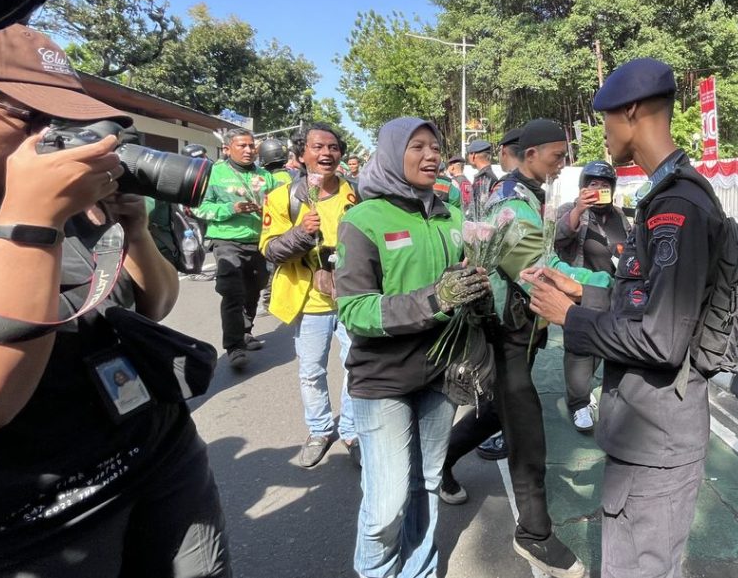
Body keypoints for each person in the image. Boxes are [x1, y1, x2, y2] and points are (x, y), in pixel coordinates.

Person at [0, 24, 230, 577]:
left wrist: (136, 231)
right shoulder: (40, 202)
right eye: (33, 117)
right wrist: (32, 219)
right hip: (39, 515)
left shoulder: (81, 198)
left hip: (160, 452)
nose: (56, 137)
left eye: (64, 120)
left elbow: (157, 304)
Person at [524, 58, 724, 578]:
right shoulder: (662, 196)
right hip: (642, 427)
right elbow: (640, 300)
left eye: (605, 118)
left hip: (658, 433)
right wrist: (581, 289)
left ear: (632, 111)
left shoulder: (677, 206)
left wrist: (572, 318)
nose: (603, 133)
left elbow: (661, 340)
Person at [441, 118, 610, 578]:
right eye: (557, 156)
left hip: (523, 328)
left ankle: (440, 463)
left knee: (498, 411)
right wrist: (610, 286)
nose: (562, 165)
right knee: (525, 422)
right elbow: (538, 270)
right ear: (529, 153)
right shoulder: (511, 202)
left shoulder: (530, 194)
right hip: (506, 332)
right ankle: (534, 533)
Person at [335, 117, 490, 578]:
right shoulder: (362, 220)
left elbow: (469, 285)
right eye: (417, 146)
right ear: (390, 153)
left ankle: (418, 571)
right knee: (386, 506)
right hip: (382, 380)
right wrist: (435, 299)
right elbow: (355, 310)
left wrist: (478, 289)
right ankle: (376, 571)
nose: (431, 155)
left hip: (442, 374)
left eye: (435, 146)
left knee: (424, 484)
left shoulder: (453, 216)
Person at [261, 123, 360, 469]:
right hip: (309, 302)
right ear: (301, 155)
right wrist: (302, 234)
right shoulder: (281, 198)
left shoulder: (358, 193)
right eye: (318, 147)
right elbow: (270, 251)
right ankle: (319, 429)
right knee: (311, 371)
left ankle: (350, 430)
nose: (326, 154)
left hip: (352, 299)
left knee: (356, 367)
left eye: (333, 147)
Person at [554, 160, 631, 431]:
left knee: (612, 346)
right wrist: (578, 210)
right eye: (593, 183)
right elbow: (558, 238)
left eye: (605, 184)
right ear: (583, 186)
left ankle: (609, 398)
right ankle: (579, 403)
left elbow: (630, 248)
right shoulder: (572, 211)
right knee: (580, 348)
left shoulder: (620, 216)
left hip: (613, 292)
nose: (599, 189)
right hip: (581, 292)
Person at [193, 128, 274, 370]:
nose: (249, 150)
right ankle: (234, 346)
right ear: (227, 149)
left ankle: (246, 333)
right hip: (227, 242)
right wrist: (232, 209)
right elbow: (198, 209)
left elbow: (277, 207)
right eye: (243, 146)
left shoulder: (265, 176)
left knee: (254, 289)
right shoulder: (213, 174)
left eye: (252, 146)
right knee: (232, 291)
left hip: (259, 241)